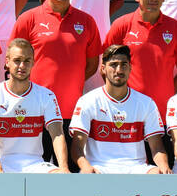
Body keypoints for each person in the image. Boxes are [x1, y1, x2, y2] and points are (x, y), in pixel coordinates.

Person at [12, 0, 102, 131]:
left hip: (71, 109)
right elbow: (13, 62)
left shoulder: (87, 21)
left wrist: (71, 81)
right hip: (34, 108)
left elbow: (91, 64)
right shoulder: (28, 19)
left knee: (67, 158)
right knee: (38, 158)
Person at [69, 45, 169, 174]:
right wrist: (85, 166)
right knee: (87, 174)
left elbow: (157, 148)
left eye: (124, 65)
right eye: (114, 65)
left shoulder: (146, 103)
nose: (119, 70)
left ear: (130, 68)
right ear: (103, 69)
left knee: (157, 173)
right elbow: (77, 147)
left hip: (136, 168)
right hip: (99, 167)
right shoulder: (88, 101)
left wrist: (164, 166)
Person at [104, 0, 177, 111]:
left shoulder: (176, 28)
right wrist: (119, 95)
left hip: (162, 112)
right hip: (128, 110)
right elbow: (106, 66)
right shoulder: (121, 25)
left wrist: (168, 94)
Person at [0, 39, 68, 173]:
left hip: (36, 164)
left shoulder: (46, 95)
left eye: (27, 61)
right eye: (17, 60)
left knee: (59, 176)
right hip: (2, 163)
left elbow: (57, 133)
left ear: (33, 62)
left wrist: (64, 168)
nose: (22, 66)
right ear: (7, 62)